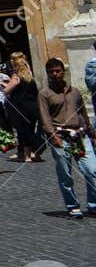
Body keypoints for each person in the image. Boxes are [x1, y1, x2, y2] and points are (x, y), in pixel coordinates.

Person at [37, 57, 96, 217]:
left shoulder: (75, 91)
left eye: (58, 71)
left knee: (92, 170)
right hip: (60, 136)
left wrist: (91, 134)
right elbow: (45, 117)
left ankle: (93, 204)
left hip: (80, 135)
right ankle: (72, 205)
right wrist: (53, 135)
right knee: (66, 174)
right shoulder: (44, 94)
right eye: (52, 72)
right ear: (48, 74)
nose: (55, 74)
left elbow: (83, 113)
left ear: (63, 71)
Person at [2, 53, 43, 163]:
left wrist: (1, 84)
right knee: (31, 130)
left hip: (20, 109)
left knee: (23, 132)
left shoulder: (16, 77)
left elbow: (7, 90)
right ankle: (36, 153)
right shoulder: (30, 77)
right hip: (33, 108)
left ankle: (27, 156)